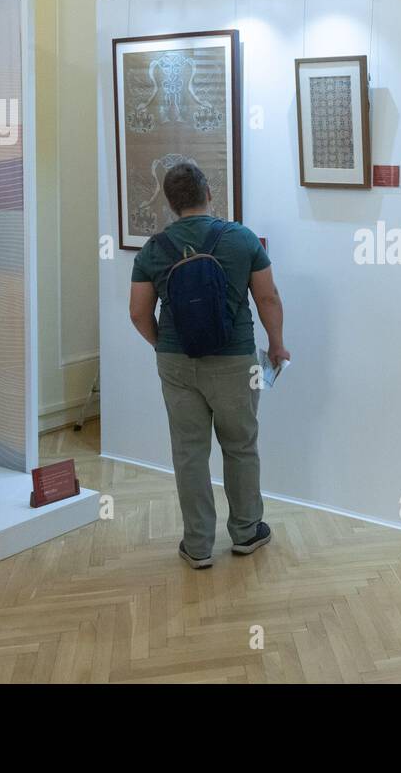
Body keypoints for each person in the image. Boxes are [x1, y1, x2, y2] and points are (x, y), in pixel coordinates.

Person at [128, 162, 290, 569]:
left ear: (169, 202)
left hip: (176, 362)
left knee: (189, 453)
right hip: (234, 359)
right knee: (240, 445)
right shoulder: (241, 239)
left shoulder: (153, 249)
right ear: (209, 193)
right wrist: (277, 345)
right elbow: (267, 298)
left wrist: (162, 344)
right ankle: (247, 531)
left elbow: (137, 312)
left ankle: (198, 545)